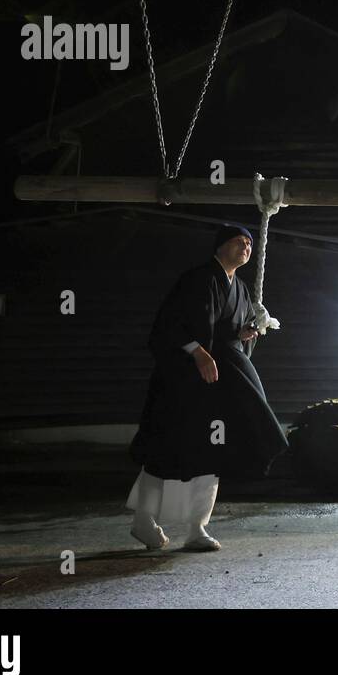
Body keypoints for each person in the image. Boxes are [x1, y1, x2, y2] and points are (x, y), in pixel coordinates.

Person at [127, 224, 290, 552]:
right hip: (184, 381)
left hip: (221, 381)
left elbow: (230, 330)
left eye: (249, 244)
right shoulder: (198, 279)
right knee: (165, 449)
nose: (246, 247)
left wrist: (245, 334)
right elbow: (169, 324)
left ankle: (197, 528)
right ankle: (143, 521)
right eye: (239, 241)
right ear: (220, 246)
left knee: (212, 452)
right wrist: (198, 352)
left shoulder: (241, 288)